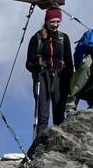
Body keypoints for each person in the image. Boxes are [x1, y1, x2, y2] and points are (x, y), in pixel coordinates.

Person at [24, 8, 72, 138]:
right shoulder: (37, 38)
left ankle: (59, 143)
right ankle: (40, 142)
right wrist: (36, 66)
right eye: (52, 21)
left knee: (59, 113)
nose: (55, 25)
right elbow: (28, 63)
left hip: (60, 78)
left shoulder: (63, 38)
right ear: (46, 21)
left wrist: (69, 83)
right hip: (42, 76)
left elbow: (69, 62)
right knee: (43, 114)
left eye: (58, 21)